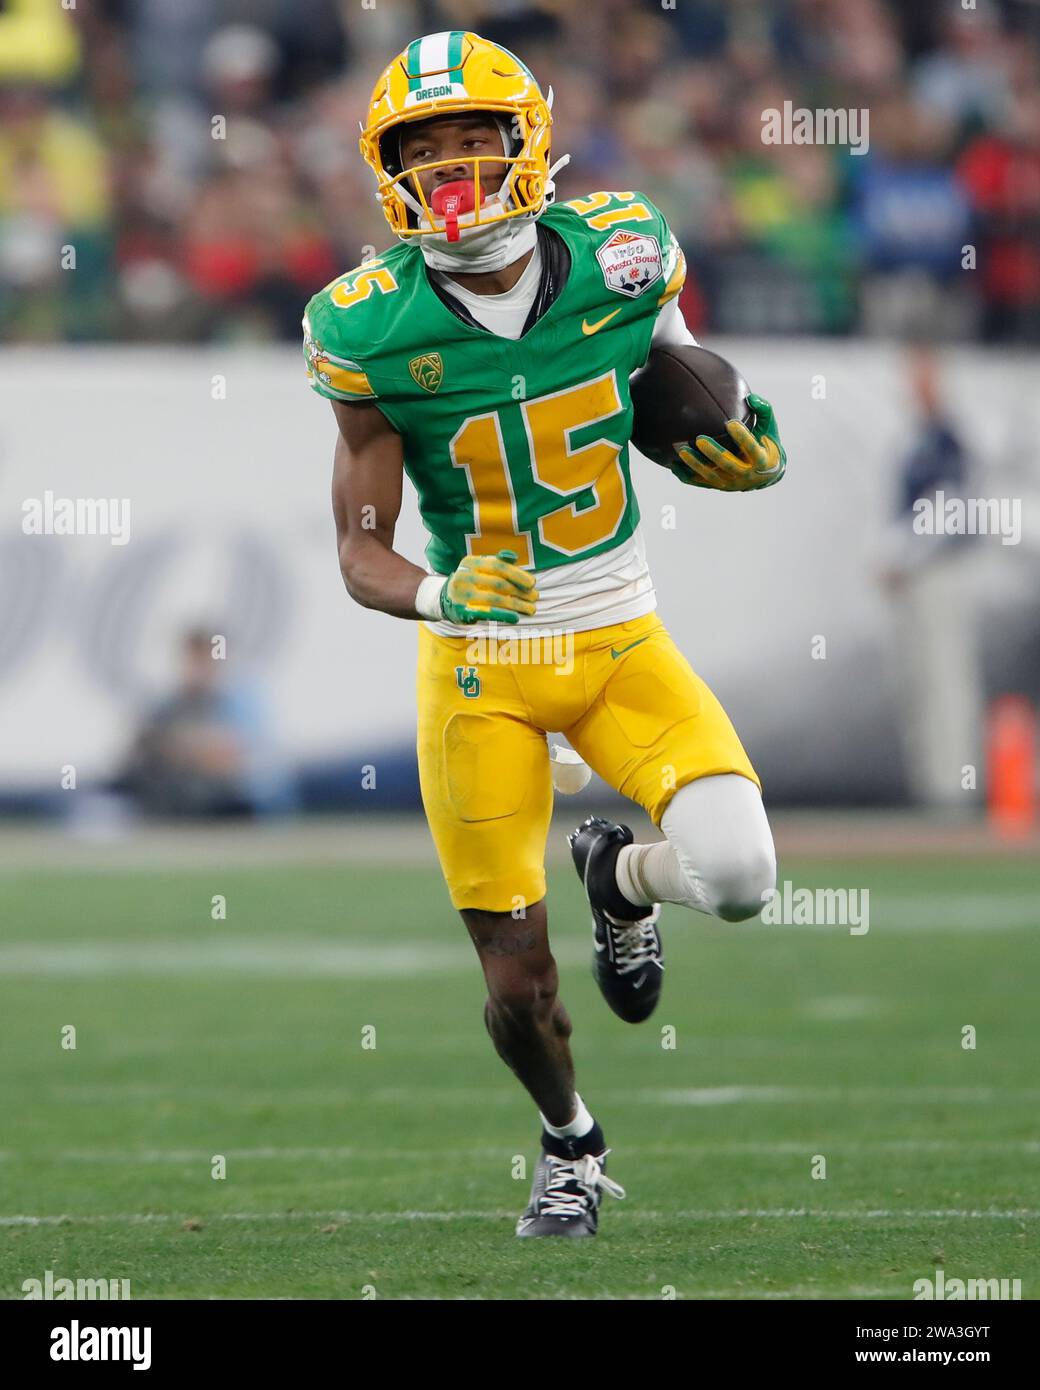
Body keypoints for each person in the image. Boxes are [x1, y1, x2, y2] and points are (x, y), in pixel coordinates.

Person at [303, 31, 786, 1238]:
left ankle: (619, 878)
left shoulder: (622, 251)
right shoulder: (366, 324)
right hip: (481, 670)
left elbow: (687, 380)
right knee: (517, 990)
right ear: (385, 169)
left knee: (739, 878)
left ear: (529, 142)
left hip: (620, 634)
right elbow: (361, 549)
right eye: (424, 148)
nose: (452, 166)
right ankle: (569, 1140)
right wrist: (439, 594)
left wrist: (749, 439)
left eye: (474, 137)